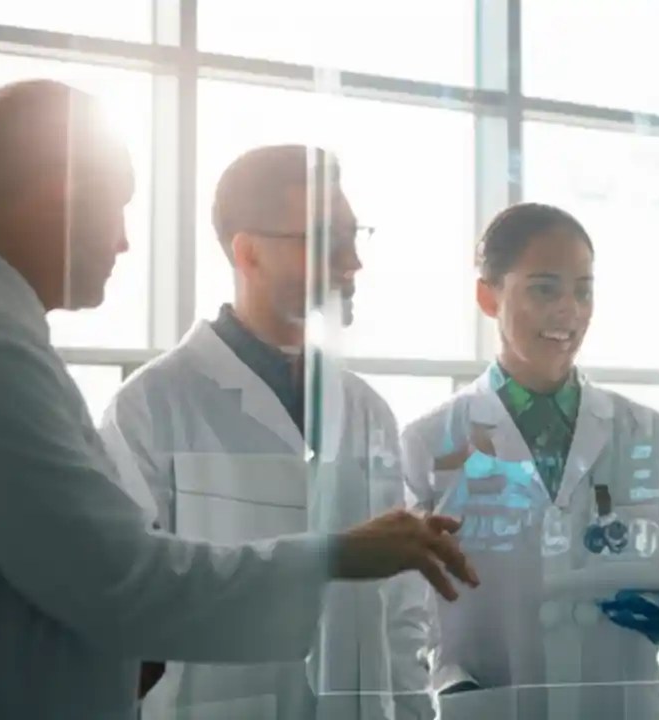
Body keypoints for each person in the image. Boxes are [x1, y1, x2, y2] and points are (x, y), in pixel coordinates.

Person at [0, 79, 476, 720]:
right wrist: (338, 553)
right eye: (116, 206)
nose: (126, 241)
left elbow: (401, 621)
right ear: (62, 194)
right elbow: (128, 585)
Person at [98, 145, 432, 719]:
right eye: (327, 241)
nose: (352, 263)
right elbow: (125, 613)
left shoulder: (368, 410)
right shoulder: (150, 408)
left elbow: (400, 613)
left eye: (355, 237)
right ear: (248, 254)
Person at [398, 203, 659, 719]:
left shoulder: (654, 438)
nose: (569, 310)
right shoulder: (428, 444)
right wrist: (448, 689)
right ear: (488, 295)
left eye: (583, 290)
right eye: (545, 288)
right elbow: (405, 620)